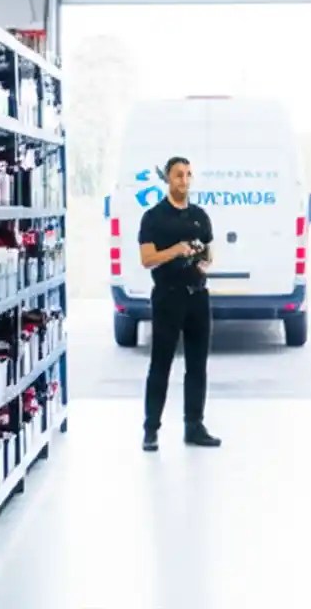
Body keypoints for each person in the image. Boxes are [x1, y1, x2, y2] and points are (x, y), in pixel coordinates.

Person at [137, 156, 223, 452]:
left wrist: (201, 260)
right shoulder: (154, 217)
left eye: (188, 175)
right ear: (168, 179)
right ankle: (151, 430)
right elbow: (147, 259)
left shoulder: (200, 216)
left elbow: (210, 257)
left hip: (197, 297)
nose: (184, 181)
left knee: (197, 366)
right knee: (160, 364)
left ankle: (194, 426)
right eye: (178, 175)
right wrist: (175, 250)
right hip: (167, 297)